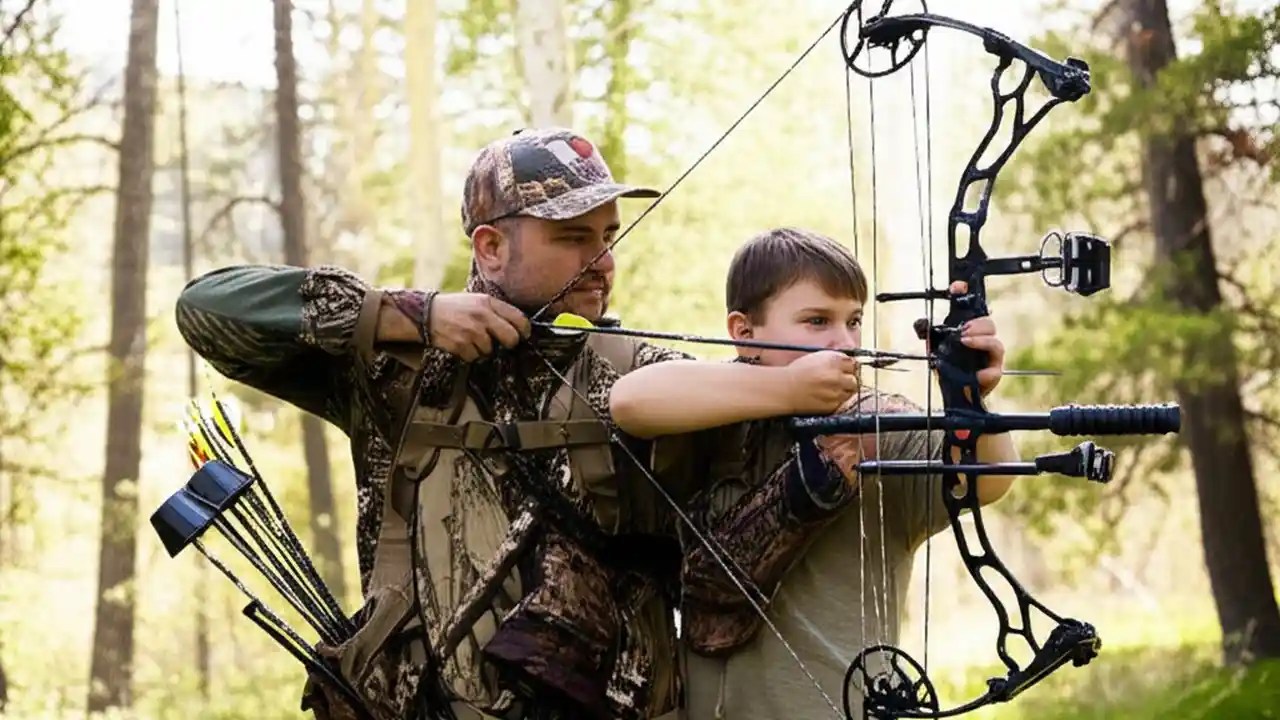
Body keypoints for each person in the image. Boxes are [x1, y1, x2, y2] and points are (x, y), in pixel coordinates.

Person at [175, 127, 692, 720]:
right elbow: (204, 309)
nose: (603, 263)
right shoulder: (395, 369)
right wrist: (407, 316)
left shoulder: (643, 378)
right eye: (574, 238)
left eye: (608, 237)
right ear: (491, 247)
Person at [608, 227, 1018, 719]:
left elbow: (986, 477)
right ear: (743, 332)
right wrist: (788, 390)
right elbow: (629, 401)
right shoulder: (711, 416)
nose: (843, 342)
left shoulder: (873, 427)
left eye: (854, 321)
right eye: (816, 321)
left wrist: (970, 394)